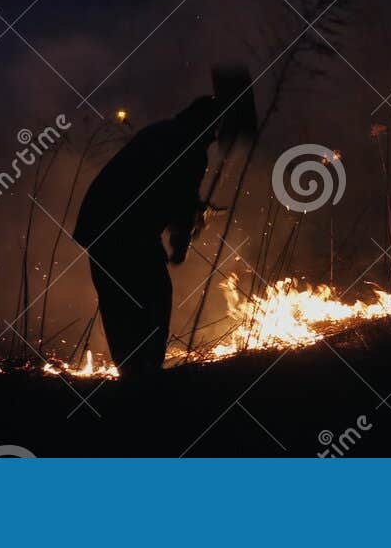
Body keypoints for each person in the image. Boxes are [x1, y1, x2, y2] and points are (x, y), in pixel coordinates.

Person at [73, 67, 255, 378]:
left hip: (97, 226)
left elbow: (162, 187)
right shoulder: (190, 148)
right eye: (212, 134)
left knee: (119, 300)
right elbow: (179, 198)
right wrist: (181, 240)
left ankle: (131, 375)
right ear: (205, 126)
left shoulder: (161, 132)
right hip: (126, 230)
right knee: (154, 294)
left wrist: (196, 210)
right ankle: (147, 374)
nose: (213, 141)